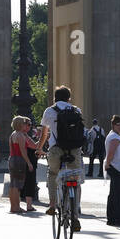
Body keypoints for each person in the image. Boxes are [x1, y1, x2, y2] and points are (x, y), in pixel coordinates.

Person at [38, 86, 85, 230]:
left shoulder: (49, 111)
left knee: (52, 173)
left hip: (56, 149)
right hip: (74, 150)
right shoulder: (76, 110)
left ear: (55, 98)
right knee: (75, 180)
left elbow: (44, 133)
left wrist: (40, 148)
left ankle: (52, 204)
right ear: (69, 98)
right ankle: (75, 214)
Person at [7, 117, 36, 214]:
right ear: (20, 124)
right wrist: (29, 163)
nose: (25, 125)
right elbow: (23, 151)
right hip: (19, 160)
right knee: (17, 185)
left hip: (12, 158)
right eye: (24, 123)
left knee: (12, 184)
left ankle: (13, 206)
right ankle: (16, 207)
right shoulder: (20, 135)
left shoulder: (13, 134)